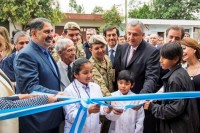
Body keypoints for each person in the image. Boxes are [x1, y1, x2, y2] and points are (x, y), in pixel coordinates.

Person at [14, 18, 64, 133]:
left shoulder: (45, 51)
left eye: (52, 31)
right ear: (34, 33)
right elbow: (30, 88)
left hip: (51, 118)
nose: (51, 35)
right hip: (37, 121)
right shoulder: (26, 55)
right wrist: (57, 94)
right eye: (47, 32)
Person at [144, 42, 199, 133]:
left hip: (178, 127)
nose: (160, 60)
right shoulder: (179, 73)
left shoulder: (175, 78)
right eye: (160, 57)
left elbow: (174, 109)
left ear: (175, 59)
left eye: (164, 58)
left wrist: (152, 107)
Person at [119, 19, 160, 133]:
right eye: (129, 33)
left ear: (142, 35)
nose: (131, 37)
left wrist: (139, 99)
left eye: (135, 34)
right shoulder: (123, 48)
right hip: (124, 101)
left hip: (139, 103)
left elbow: (151, 78)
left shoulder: (151, 52)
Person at [63, 58, 111, 133]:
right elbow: (71, 116)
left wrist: (106, 110)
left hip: (94, 129)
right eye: (85, 73)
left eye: (91, 72)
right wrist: (87, 111)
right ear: (76, 74)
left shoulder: (96, 87)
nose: (89, 75)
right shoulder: (69, 91)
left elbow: (101, 107)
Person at [180, 37, 200, 132]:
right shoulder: (181, 70)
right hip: (188, 116)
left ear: (194, 49)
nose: (181, 51)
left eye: (184, 48)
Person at [103, 25, 121, 91]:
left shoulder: (124, 50)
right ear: (105, 37)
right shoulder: (102, 51)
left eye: (114, 35)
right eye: (109, 35)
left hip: (120, 88)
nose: (111, 37)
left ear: (117, 36)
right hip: (106, 88)